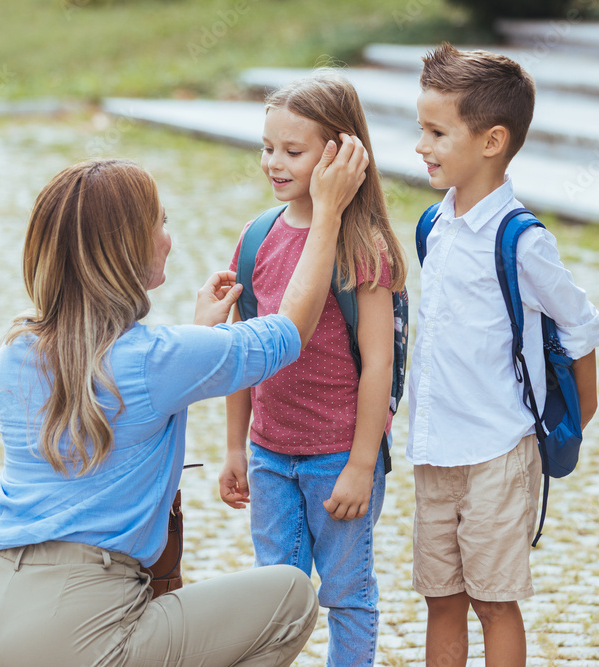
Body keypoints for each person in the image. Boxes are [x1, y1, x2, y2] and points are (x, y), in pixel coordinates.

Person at [0, 138, 369, 667]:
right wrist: (328, 212)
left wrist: (199, 337)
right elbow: (288, 334)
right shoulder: (157, 359)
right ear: (127, 247)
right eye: (161, 222)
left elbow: (119, 396)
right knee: (289, 596)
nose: (168, 238)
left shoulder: (17, 350)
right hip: (77, 628)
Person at [408, 43, 599, 667]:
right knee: (441, 598)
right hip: (435, 448)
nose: (422, 145)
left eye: (437, 132)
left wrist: (575, 416)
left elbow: (579, 324)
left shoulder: (521, 239)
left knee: (494, 602)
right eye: (422, 130)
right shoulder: (432, 228)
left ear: (491, 141)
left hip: (498, 450)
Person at [218, 70, 407, 667]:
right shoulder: (256, 237)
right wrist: (235, 449)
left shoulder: (363, 247)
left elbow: (378, 365)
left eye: (292, 152)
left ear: (341, 154)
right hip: (270, 455)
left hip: (336, 459)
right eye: (268, 148)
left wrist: (361, 464)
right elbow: (243, 352)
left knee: (347, 594)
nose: (274, 162)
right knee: (273, 596)